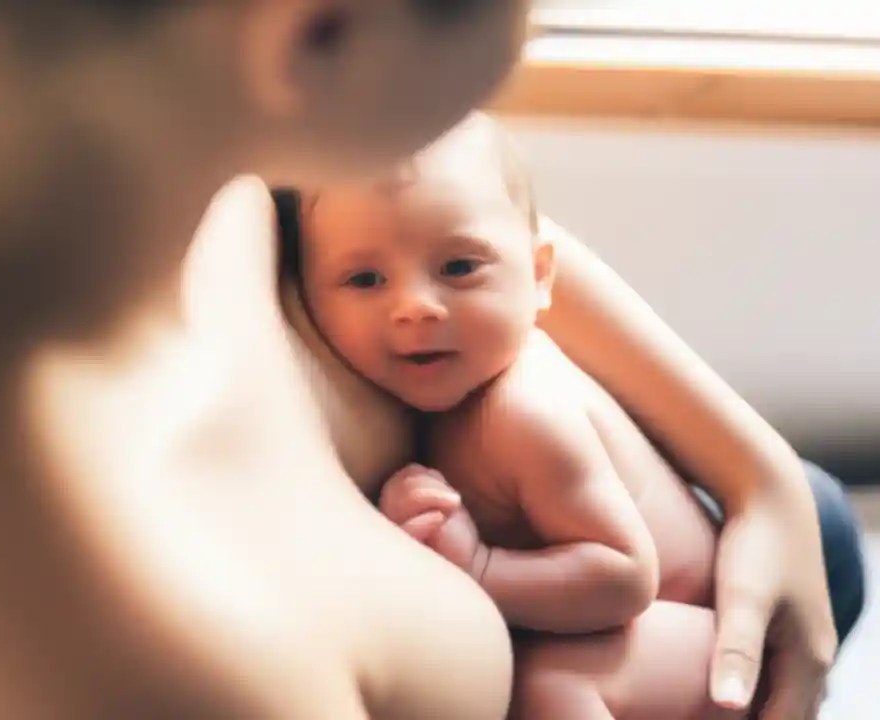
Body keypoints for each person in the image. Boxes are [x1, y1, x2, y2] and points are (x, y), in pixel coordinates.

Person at [0, 2, 862, 719]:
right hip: (638, 650)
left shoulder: (160, 130)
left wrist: (756, 472)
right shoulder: (182, 661)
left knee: (821, 519)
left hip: (658, 549)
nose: (415, 304)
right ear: (317, 33)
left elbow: (465, 220)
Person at [301, 112, 736, 719]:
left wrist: (480, 568)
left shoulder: (526, 414)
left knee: (547, 682)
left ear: (538, 276)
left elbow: (625, 577)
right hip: (611, 619)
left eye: (459, 267)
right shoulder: (437, 384)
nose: (415, 307)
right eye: (366, 278)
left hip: (700, 621)